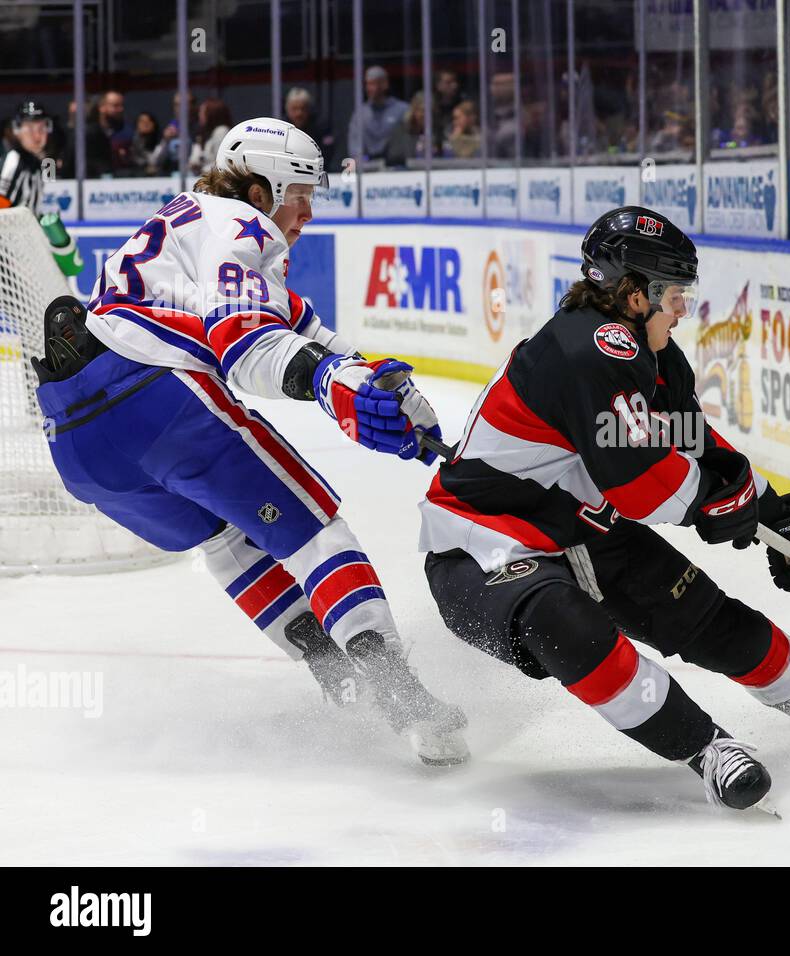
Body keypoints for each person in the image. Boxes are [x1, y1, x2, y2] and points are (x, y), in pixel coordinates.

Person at [422, 206, 790, 813]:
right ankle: (708, 751)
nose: (682, 309)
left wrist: (782, 515)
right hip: (480, 550)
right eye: (674, 295)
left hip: (585, 534)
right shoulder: (587, 348)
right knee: (563, 621)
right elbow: (643, 484)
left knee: (713, 622)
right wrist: (724, 507)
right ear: (632, 292)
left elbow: (694, 444)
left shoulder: (654, 353)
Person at [30, 117, 468, 766]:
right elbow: (247, 343)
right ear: (261, 187)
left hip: (78, 442)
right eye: (301, 194)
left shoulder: (183, 225)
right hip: (152, 398)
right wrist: (327, 381)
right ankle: (400, 696)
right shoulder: (244, 224)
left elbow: (296, 323)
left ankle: (336, 674)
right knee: (316, 533)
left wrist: (381, 382)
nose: (308, 214)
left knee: (226, 538)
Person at [0, 101, 83, 278]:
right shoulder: (14, 159)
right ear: (17, 130)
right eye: (29, 128)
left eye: (42, 127)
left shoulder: (41, 159)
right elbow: (1, 202)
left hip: (26, 242)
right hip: (10, 248)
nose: (37, 135)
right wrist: (8, 251)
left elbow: (51, 183)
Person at [347, 66, 407, 162]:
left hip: (397, 168)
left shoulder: (401, 110)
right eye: (368, 84)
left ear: (385, 84)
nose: (370, 88)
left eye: (374, 83)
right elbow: (355, 149)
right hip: (368, 169)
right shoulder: (360, 114)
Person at [187, 98, 232, 174]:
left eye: (202, 112)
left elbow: (222, 162)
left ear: (212, 113)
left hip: (216, 180)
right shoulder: (204, 132)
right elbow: (195, 160)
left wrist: (202, 169)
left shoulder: (221, 131)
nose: (199, 115)